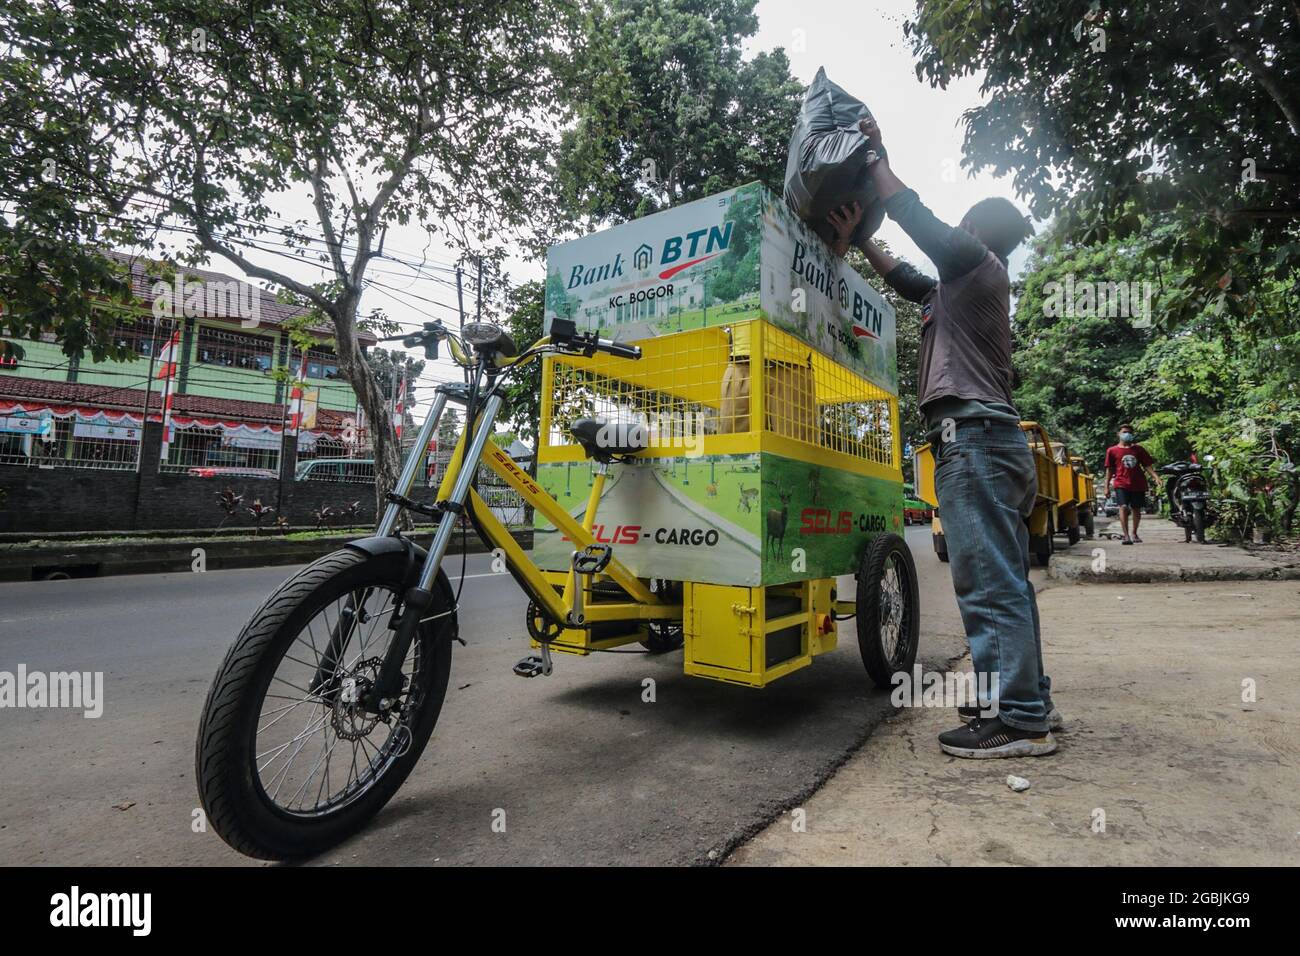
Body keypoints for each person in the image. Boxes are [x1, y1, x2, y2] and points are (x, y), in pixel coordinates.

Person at [826, 118, 1059, 758]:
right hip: (991, 443)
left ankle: (1017, 721)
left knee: (987, 584)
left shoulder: (975, 262)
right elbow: (907, 279)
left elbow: (914, 216)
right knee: (1006, 581)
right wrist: (858, 243)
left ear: (977, 233)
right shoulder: (957, 291)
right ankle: (1026, 699)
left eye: (961, 225)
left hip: (976, 443)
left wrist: (874, 156)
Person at [1103, 423, 1160, 545]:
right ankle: (1126, 535)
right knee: (1123, 507)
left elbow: (1147, 465)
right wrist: (1106, 486)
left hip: (1137, 483)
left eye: (1129, 432)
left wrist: (1155, 477)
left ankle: (1134, 532)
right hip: (1121, 483)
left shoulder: (1138, 449)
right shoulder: (1112, 451)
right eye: (1124, 432)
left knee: (1136, 509)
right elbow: (1109, 470)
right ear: (1118, 434)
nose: (1127, 434)